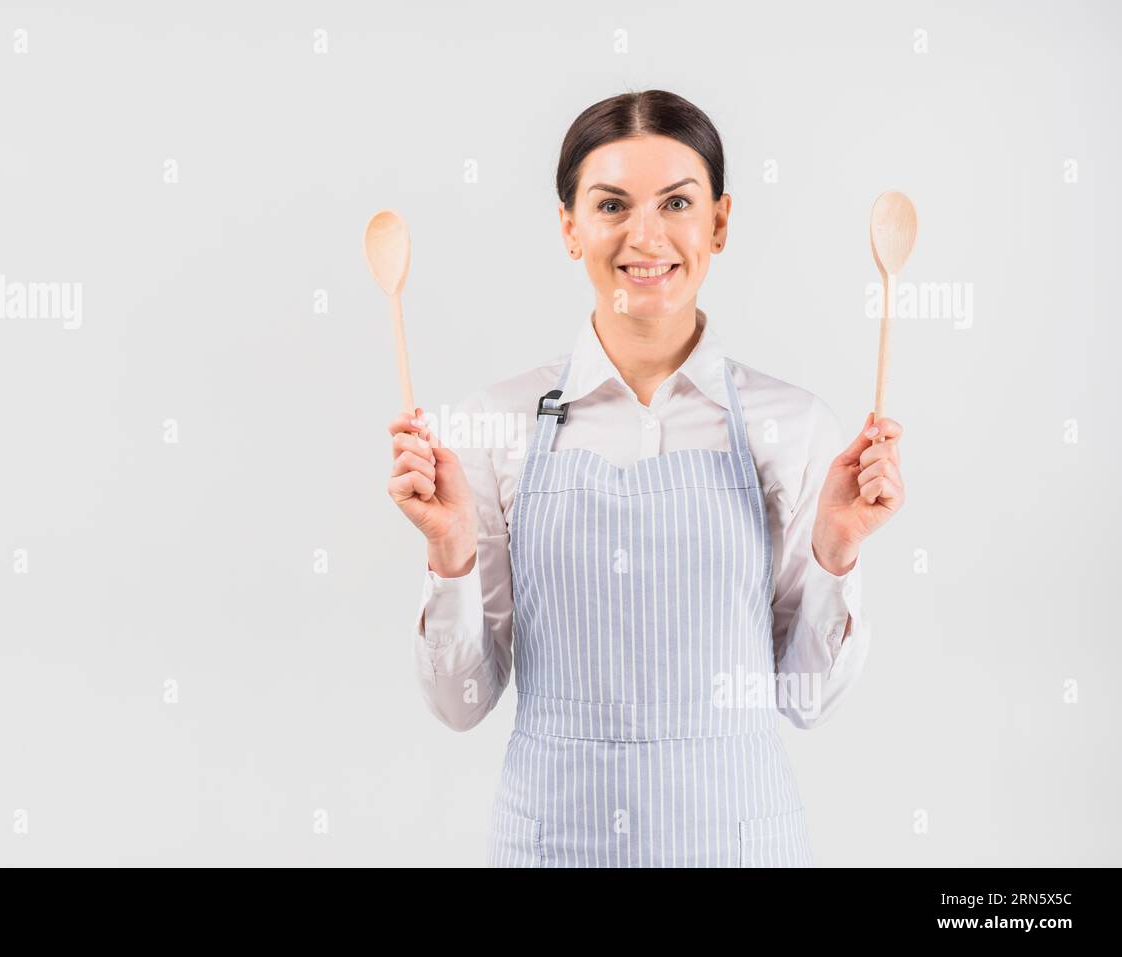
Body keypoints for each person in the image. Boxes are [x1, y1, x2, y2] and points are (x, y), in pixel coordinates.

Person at [386, 90, 905, 867]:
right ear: (570, 227)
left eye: (676, 202)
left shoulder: (794, 428)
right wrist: (449, 552)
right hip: (554, 846)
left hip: (738, 846)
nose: (646, 235)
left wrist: (837, 551)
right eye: (611, 205)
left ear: (719, 222)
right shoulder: (493, 424)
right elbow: (461, 704)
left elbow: (808, 700)